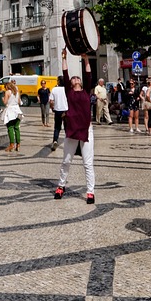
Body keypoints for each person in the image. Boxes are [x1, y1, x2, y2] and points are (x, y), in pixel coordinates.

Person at [55, 54, 96, 204]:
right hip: (72, 130)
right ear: (70, 83)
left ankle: (90, 192)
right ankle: (61, 185)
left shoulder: (86, 91)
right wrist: (64, 57)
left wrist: (86, 59)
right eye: (74, 78)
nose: (76, 79)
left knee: (87, 163)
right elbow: (65, 73)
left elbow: (88, 74)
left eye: (78, 78)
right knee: (66, 161)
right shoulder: (69, 92)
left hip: (86, 129)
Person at [1, 78, 23, 153]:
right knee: (17, 128)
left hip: (10, 111)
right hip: (17, 110)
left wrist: (3, 99)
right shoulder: (17, 92)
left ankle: (11, 144)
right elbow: (19, 102)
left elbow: (5, 102)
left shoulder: (7, 92)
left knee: (10, 128)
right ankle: (18, 144)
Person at [49, 74, 69, 150]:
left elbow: (51, 101)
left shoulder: (54, 89)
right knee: (67, 127)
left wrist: (52, 108)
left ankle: (55, 141)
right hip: (66, 110)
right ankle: (69, 141)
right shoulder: (67, 89)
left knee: (57, 127)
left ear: (59, 81)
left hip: (57, 110)